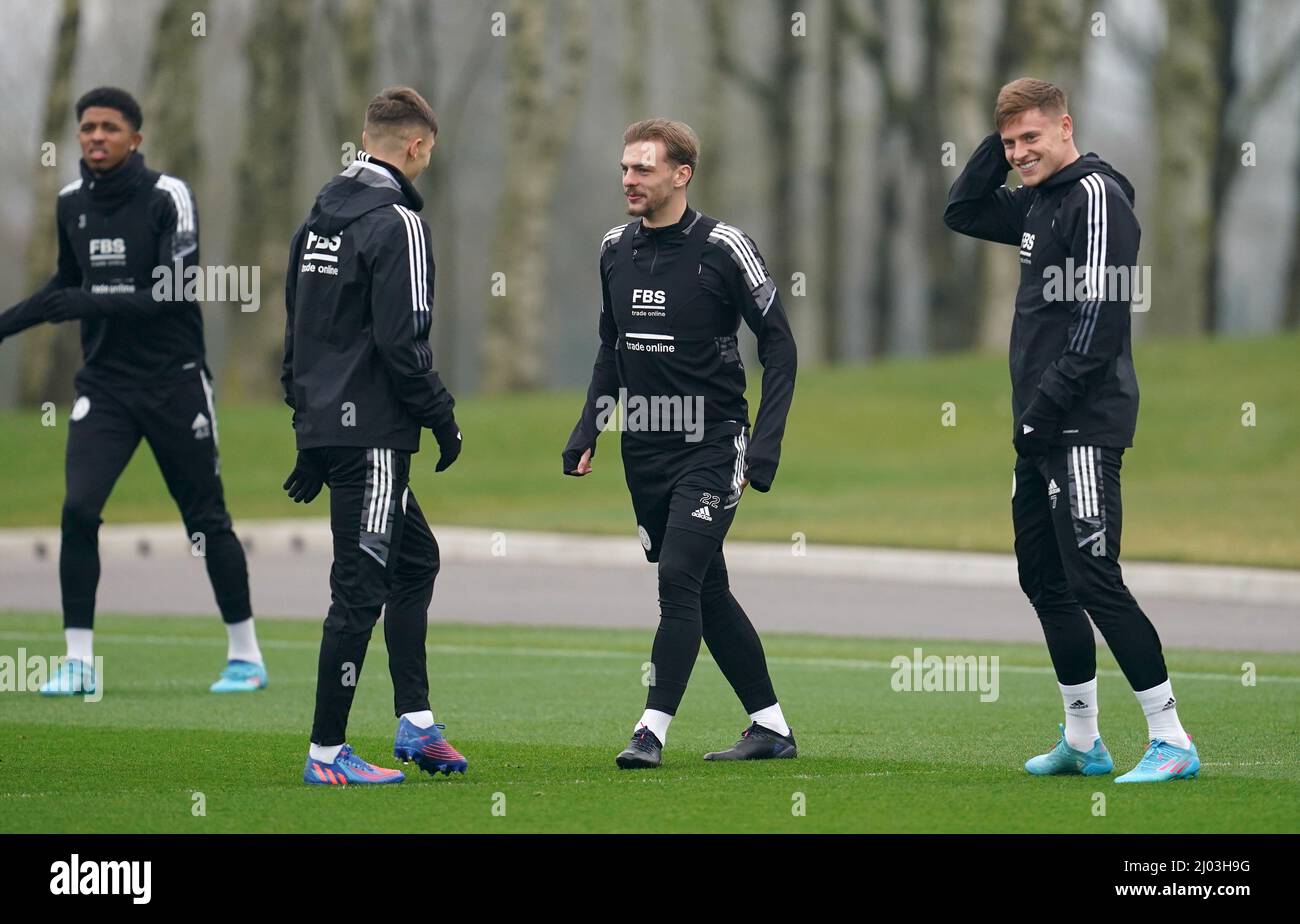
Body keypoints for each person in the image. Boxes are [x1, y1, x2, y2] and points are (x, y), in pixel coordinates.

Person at [944, 78, 1198, 782]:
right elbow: (961, 210)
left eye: (1032, 138)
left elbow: (1100, 319)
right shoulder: (1037, 201)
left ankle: (1171, 739)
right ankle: (1084, 740)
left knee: (1094, 577)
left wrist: (1044, 411)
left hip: (1080, 423)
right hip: (1039, 429)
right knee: (1044, 580)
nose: (1022, 152)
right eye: (1010, 142)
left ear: (1066, 126)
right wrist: (999, 152)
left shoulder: (1095, 197)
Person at [0, 86, 265, 697]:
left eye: (109, 128)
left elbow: (172, 290)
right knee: (78, 509)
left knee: (204, 519)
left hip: (175, 383)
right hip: (106, 389)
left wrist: (87, 302)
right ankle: (78, 660)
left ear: (135, 138)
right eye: (87, 127)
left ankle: (245, 654)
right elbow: (62, 287)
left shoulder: (168, 198)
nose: (95, 136)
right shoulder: (69, 205)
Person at [563, 118, 799, 769]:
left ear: (680, 174)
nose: (629, 180)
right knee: (704, 588)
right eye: (624, 168)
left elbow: (779, 343)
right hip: (644, 449)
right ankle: (772, 728)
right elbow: (611, 348)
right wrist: (590, 427)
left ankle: (650, 729)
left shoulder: (725, 247)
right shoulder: (613, 247)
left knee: (677, 580)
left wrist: (766, 445)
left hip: (713, 444)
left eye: (642, 168)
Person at [282, 86, 466, 785]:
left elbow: (297, 331)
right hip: (375, 439)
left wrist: (309, 433)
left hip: (332, 427)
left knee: (414, 560)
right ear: (417, 146)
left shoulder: (318, 218)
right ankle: (327, 754)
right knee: (358, 590)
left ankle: (416, 725)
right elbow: (403, 342)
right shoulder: (398, 223)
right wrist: (442, 418)